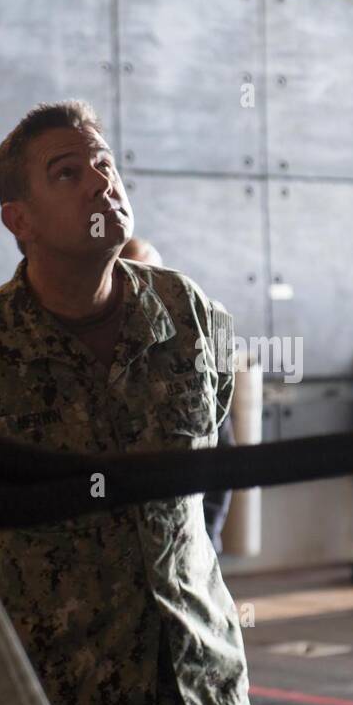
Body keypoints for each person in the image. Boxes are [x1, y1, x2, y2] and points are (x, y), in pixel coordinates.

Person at [0, 101, 273, 705]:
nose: (99, 182)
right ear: (19, 220)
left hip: (202, 701)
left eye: (104, 163)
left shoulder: (188, 316)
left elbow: (207, 476)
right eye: (67, 173)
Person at [120, 235, 236, 553]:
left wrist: (209, 531)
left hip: (191, 541)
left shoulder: (211, 324)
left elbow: (220, 448)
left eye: (149, 276)